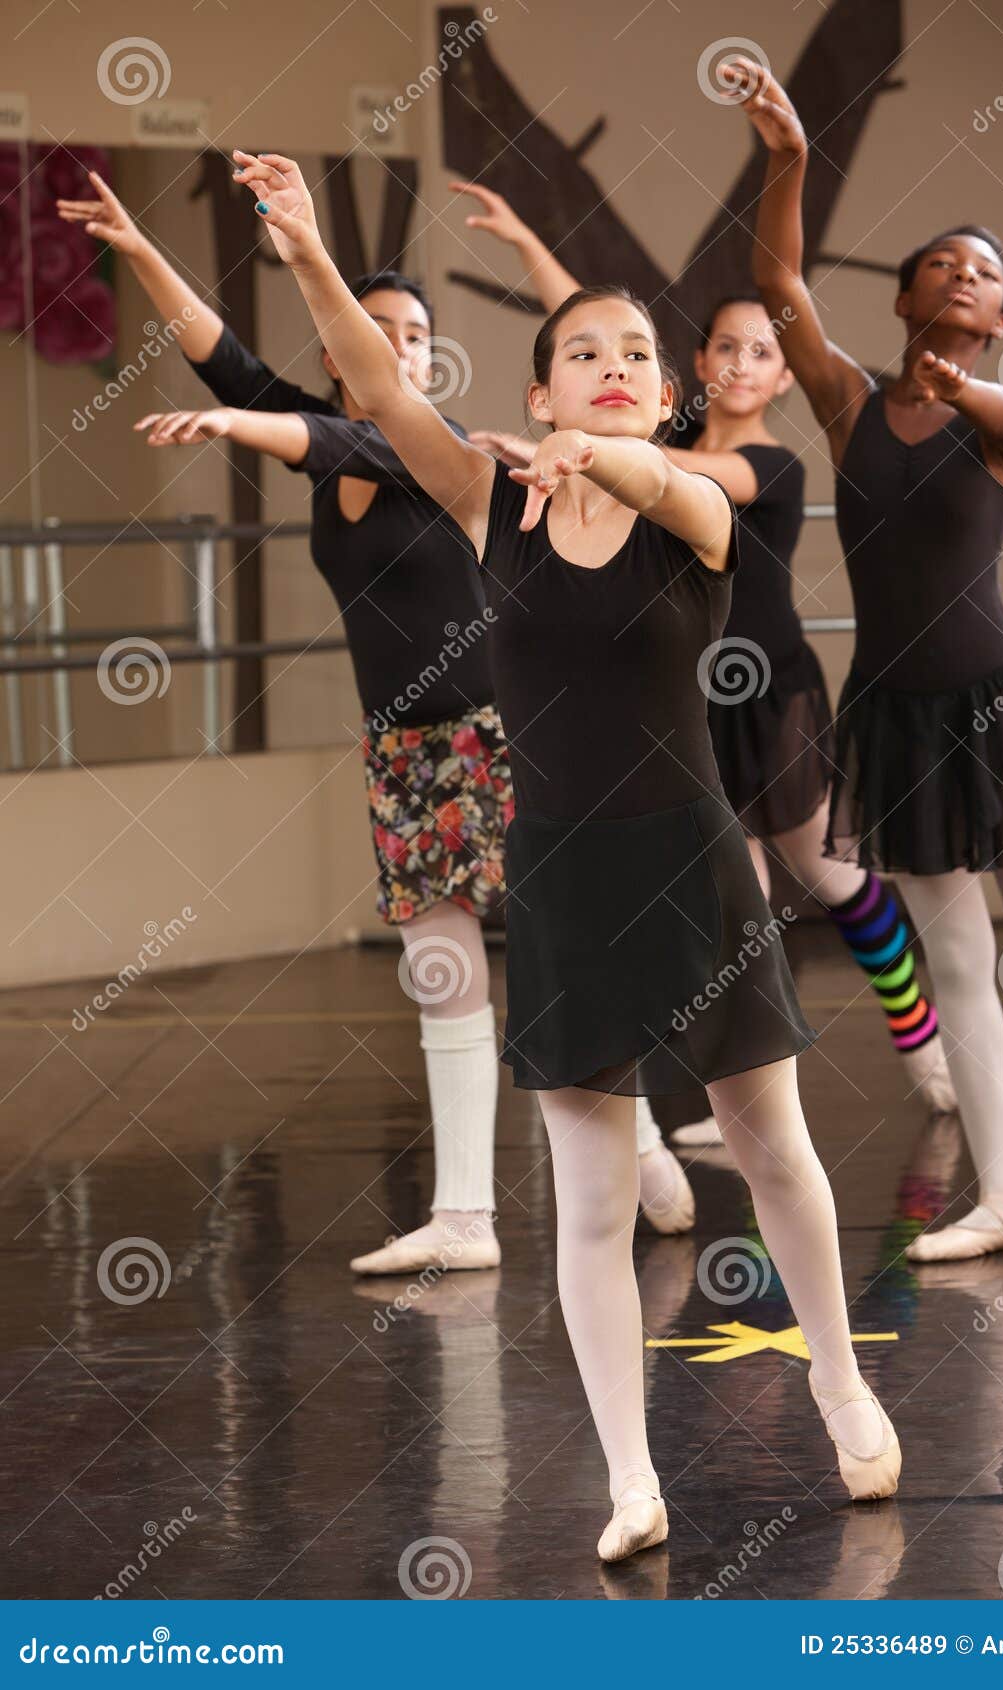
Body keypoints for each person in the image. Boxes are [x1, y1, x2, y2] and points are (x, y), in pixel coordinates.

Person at [230, 145, 903, 1559]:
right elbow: (384, 390)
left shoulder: (698, 506)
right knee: (592, 1200)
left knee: (773, 1151)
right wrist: (301, 247)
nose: (610, 367)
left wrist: (608, 457)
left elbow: (667, 489)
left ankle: (840, 1383)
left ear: (663, 394)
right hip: (562, 881)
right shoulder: (491, 507)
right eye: (580, 353)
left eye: (634, 354)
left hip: (693, 869)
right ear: (535, 392)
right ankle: (630, 1477)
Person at [57, 170, 693, 1271]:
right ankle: (465, 1219)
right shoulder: (316, 424)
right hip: (402, 751)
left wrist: (235, 425)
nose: (396, 346)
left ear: (431, 363)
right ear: (337, 343)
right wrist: (140, 250)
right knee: (443, 971)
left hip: (501, 735)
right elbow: (220, 352)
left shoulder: (424, 444)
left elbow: (330, 442)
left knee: (563, 949)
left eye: (413, 335)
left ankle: (640, 1146)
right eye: (376, 329)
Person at [730, 59, 1003, 1261]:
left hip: (989, 701)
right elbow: (774, 283)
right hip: (892, 709)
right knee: (955, 955)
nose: (965, 275)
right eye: (944, 263)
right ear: (905, 293)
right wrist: (787, 160)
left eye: (985, 272)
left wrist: (965, 390)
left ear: (998, 318)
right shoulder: (846, 401)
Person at [454, 180, 956, 1147]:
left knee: (828, 876)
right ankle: (734, 1085)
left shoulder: (764, 466)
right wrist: (524, 240)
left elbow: (664, 472)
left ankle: (918, 1035)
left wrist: (573, 447)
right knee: (740, 895)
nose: (740, 363)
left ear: (780, 377)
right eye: (724, 346)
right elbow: (589, 336)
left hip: (771, 695)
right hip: (677, 702)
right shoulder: (648, 425)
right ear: (694, 366)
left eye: (761, 351)